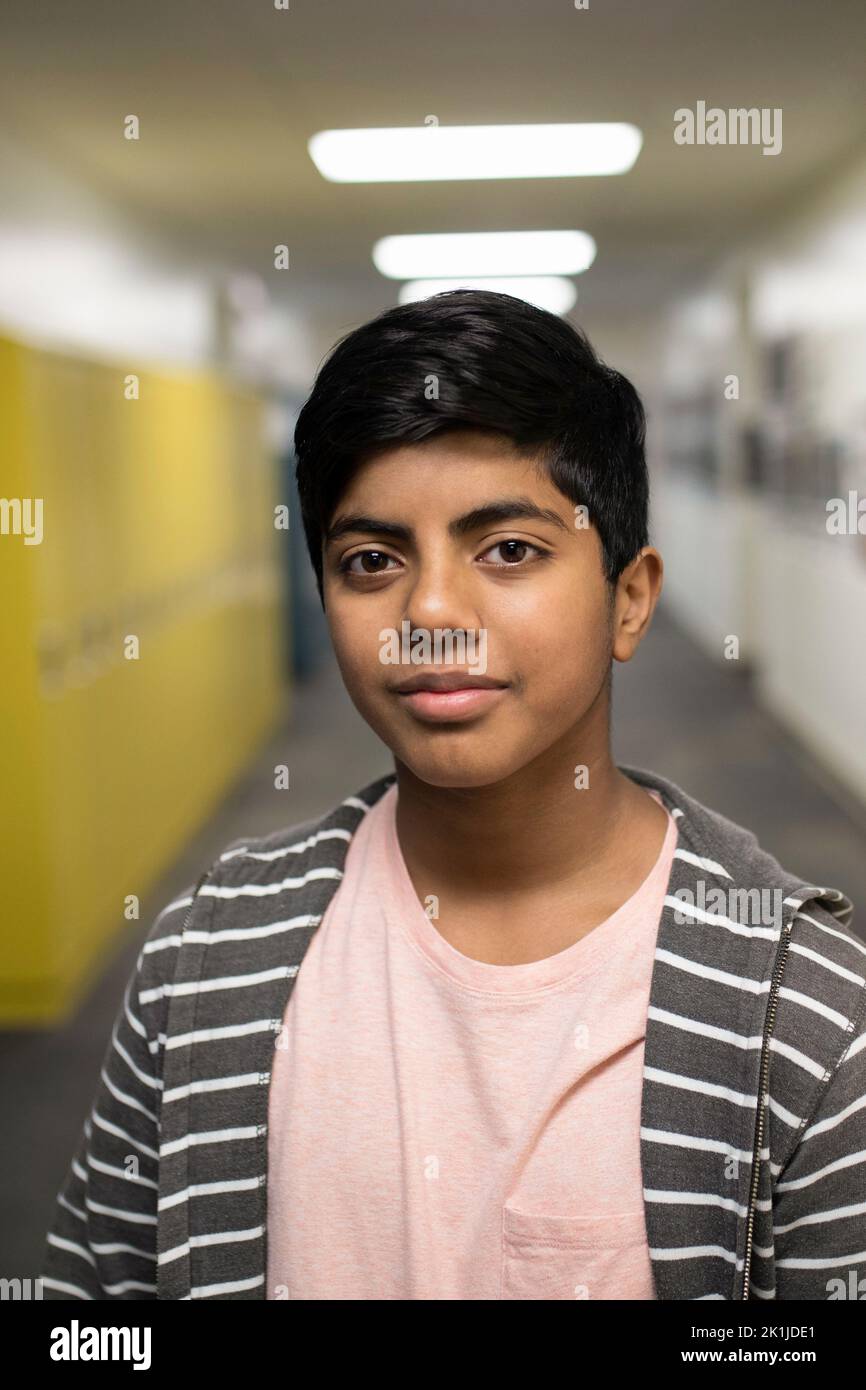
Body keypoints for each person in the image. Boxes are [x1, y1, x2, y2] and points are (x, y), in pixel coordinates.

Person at [42, 290, 865, 1301]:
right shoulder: (201, 960)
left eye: (508, 549)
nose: (428, 611)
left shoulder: (804, 1017)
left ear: (629, 597)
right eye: (371, 560)